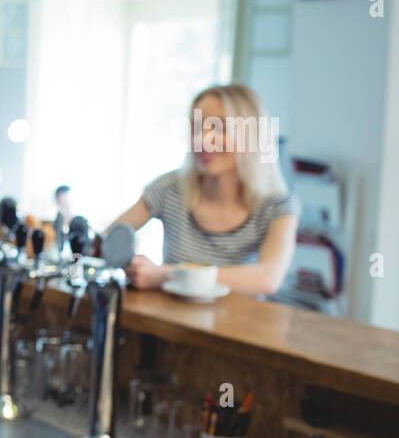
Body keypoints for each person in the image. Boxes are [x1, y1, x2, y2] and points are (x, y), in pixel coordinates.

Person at [108, 83, 300, 295]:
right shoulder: (169, 189)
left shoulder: (278, 205)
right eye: (196, 128)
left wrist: (166, 274)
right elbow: (108, 240)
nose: (202, 140)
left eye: (220, 128)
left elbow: (268, 279)